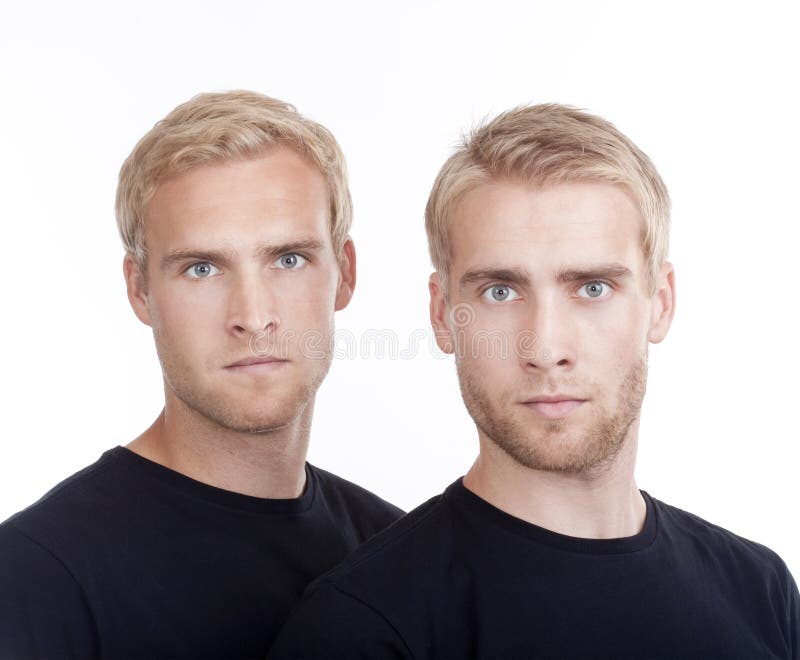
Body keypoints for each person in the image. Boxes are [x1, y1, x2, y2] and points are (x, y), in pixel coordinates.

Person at [268, 104, 800, 659]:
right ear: (444, 314)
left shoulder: (760, 589)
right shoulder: (361, 628)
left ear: (660, 303)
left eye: (592, 288)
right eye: (501, 291)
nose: (546, 350)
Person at [0, 90, 402, 659]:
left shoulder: (394, 553)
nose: (253, 317)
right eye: (202, 268)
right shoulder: (34, 579)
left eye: (288, 259)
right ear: (139, 289)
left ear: (344, 274)